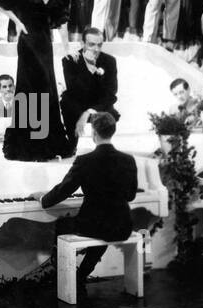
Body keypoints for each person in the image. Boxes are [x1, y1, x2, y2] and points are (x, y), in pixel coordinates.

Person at [40, 111, 138, 290]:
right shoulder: (128, 160)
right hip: (122, 226)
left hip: (93, 226)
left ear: (94, 133)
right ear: (112, 131)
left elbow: (64, 190)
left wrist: (42, 200)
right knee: (104, 228)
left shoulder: (85, 161)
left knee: (62, 224)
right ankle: (81, 275)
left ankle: (63, 279)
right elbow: (131, 196)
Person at [0, 0, 73, 161]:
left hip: (45, 45)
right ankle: (29, 144)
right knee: (29, 90)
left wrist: (66, 49)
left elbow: (62, 21)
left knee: (47, 90)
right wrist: (18, 22)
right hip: (28, 45)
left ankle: (47, 141)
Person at [59, 28, 120, 148]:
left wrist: (89, 112)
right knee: (66, 101)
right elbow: (75, 90)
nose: (96, 49)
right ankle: (71, 144)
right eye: (91, 44)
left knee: (109, 110)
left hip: (99, 105)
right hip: (78, 103)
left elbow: (111, 93)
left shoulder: (109, 61)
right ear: (82, 44)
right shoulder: (70, 60)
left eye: (99, 45)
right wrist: (90, 70)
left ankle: (104, 146)